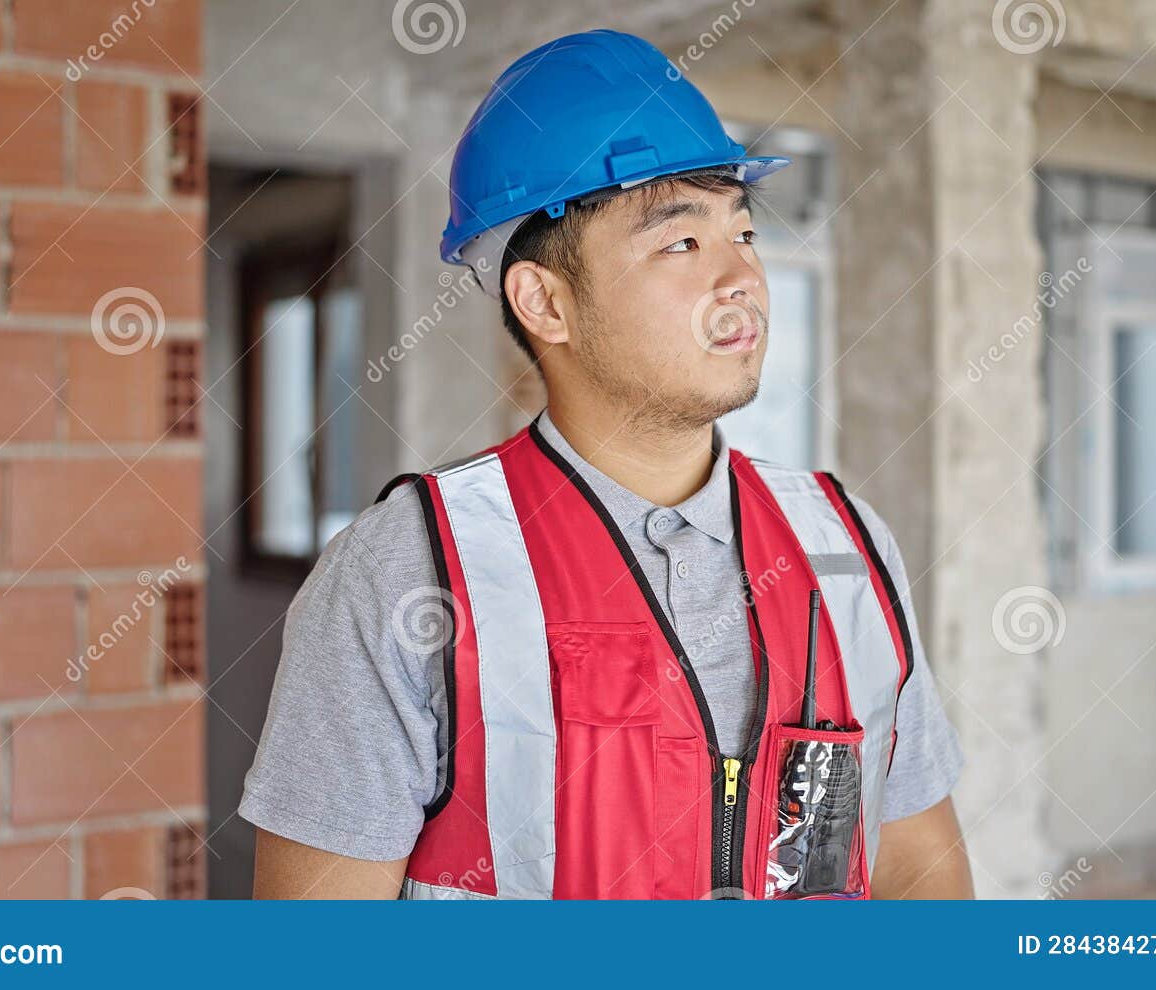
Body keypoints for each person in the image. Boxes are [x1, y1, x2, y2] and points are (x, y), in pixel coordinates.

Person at [243, 29, 972, 900]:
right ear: (544, 303)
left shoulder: (843, 545)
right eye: (681, 243)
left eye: (743, 231)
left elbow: (918, 866)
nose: (741, 276)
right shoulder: (409, 571)